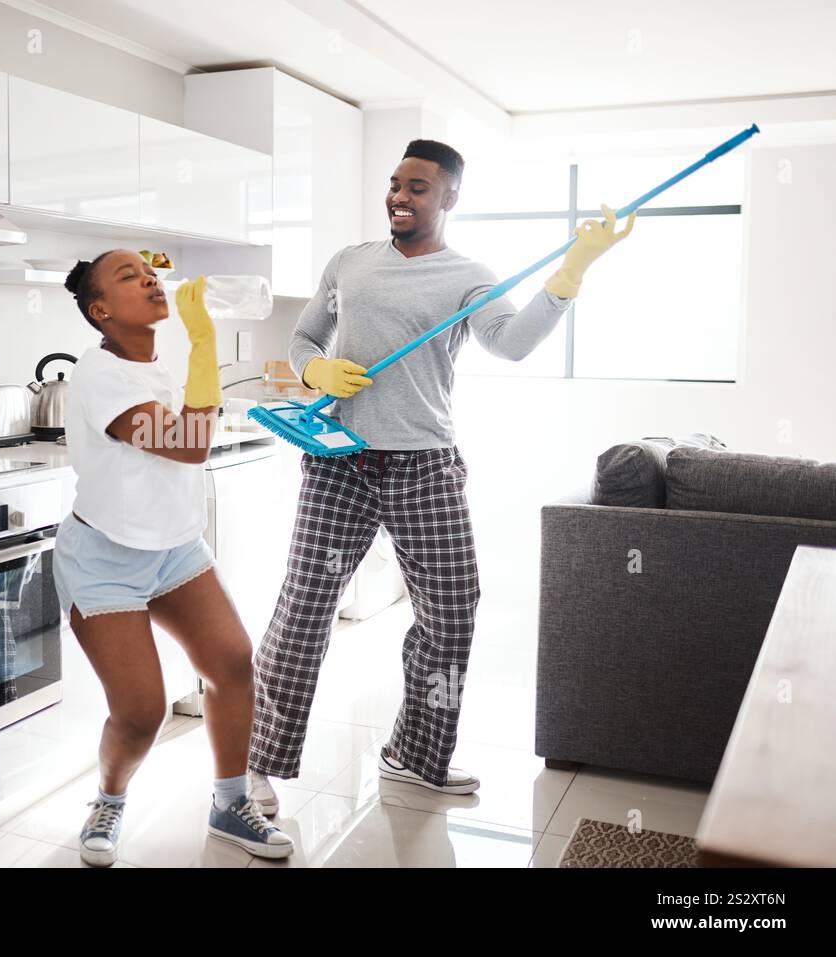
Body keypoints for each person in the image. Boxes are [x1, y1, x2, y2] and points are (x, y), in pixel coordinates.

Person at [247, 140, 635, 814]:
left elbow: (511, 342)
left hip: (424, 462)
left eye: (419, 187)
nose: (400, 196)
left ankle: (414, 753)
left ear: (450, 196)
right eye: (396, 184)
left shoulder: (468, 275)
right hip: (340, 457)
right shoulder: (350, 263)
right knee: (304, 611)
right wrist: (315, 371)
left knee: (452, 612)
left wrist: (572, 270)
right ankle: (258, 759)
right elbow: (305, 339)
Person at [56, 250, 295, 865]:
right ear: (101, 311)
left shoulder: (164, 358)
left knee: (233, 666)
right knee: (141, 714)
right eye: (129, 276)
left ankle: (229, 803)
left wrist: (202, 345)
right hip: (105, 560)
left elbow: (199, 418)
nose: (150, 280)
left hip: (177, 551)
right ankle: (108, 800)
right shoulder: (97, 373)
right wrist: (206, 341)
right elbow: (189, 445)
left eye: (151, 271)